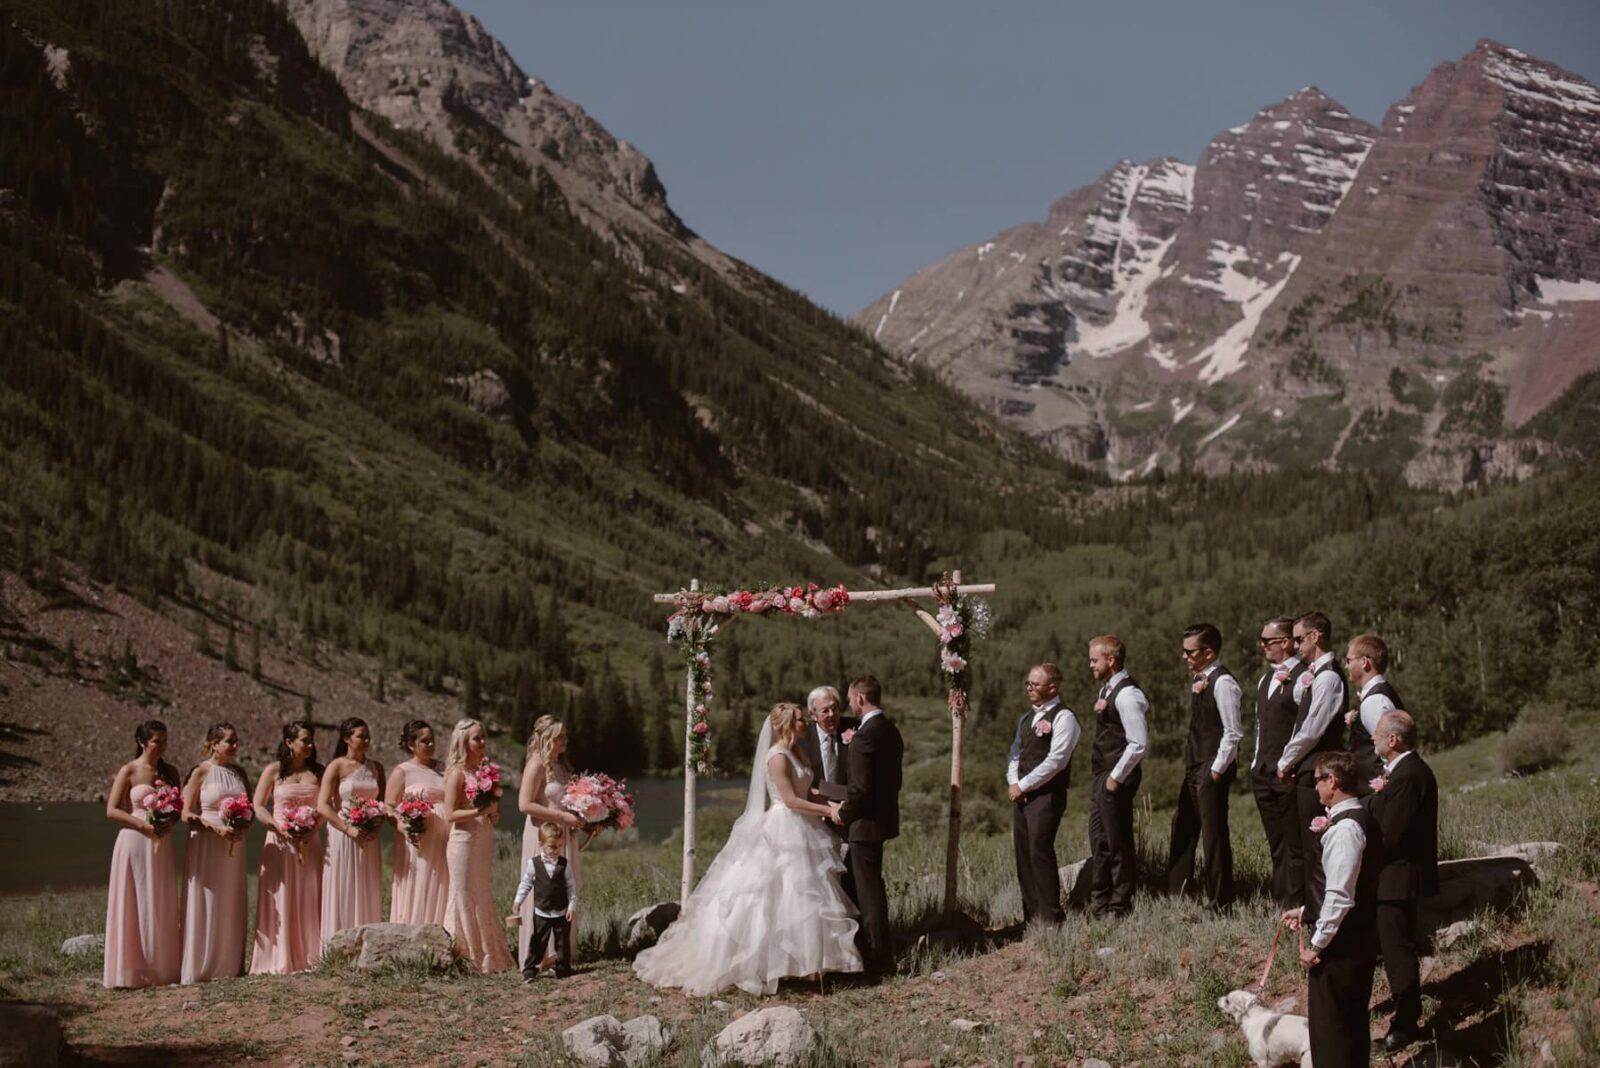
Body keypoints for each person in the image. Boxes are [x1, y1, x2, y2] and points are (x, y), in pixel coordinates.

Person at [634, 701, 860, 995]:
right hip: (784, 825)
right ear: (786, 724)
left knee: (803, 897)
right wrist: (828, 813)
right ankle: (765, 963)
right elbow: (790, 800)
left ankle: (805, 963)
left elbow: (808, 791)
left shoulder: (796, 752)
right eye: (801, 719)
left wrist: (829, 805)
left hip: (804, 826)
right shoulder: (777, 757)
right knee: (774, 896)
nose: (806, 723)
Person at [1283, 751, 1379, 1068]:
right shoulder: (1354, 819)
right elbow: (1332, 885)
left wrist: (1316, 943)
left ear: (1332, 781)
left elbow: (1340, 894)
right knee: (1345, 1027)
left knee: (1333, 1031)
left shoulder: (1345, 830)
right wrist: (1306, 910)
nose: (1315, 789)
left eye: (1317, 781)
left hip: (1341, 947)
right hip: (1350, 940)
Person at [1369, 711, 1439, 1053]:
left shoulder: (1409, 776)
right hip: (1392, 877)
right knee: (1393, 949)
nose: (1373, 739)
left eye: (1378, 734)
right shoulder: (1402, 772)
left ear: (1393, 740)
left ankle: (1406, 1023)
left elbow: (1391, 834)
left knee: (1398, 952)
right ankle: (1404, 1016)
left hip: (1398, 878)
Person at [1167, 623, 1243, 913]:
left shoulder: (1223, 683)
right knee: (1183, 827)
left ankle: (1221, 901)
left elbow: (1233, 732)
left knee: (1213, 836)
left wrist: (1216, 770)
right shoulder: (1202, 680)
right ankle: (1177, 894)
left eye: (1190, 652)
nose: (1184, 657)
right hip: (1195, 764)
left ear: (1208, 653)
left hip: (1211, 768)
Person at [1277, 611, 1348, 918]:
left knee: (1316, 847)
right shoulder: (1315, 675)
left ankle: (1321, 912)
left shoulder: (1329, 677)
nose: (1295, 645)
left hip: (1319, 769)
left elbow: (1312, 729)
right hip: (1308, 768)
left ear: (1317, 635)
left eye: (1299, 638)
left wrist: (1285, 760)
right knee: (1305, 846)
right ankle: (1311, 909)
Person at [103, 719, 181, 988]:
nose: (162, 746)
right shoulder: (129, 770)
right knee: (135, 899)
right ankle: (131, 970)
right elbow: (112, 810)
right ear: (142, 742)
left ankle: (161, 966)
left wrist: (168, 822)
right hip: (135, 839)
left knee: (160, 898)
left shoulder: (170, 771)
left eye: (164, 740)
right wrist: (143, 825)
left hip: (162, 840)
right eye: (157, 741)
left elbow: (178, 808)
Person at [1007, 663, 1080, 926]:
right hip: (1022, 795)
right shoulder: (1026, 719)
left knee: (1040, 850)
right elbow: (1015, 752)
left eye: (1035, 684)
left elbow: (1056, 761)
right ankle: (1032, 916)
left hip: (1047, 795)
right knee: (1024, 854)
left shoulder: (1064, 717)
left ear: (1052, 687)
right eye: (1028, 683)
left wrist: (1024, 784)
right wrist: (1013, 781)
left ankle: (1051, 916)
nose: (1029, 688)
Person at [841, 674, 905, 973]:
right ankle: (871, 950)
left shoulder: (865, 736)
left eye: (850, 699)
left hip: (864, 825)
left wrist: (842, 812)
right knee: (869, 887)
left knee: (868, 893)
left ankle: (879, 958)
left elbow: (861, 789)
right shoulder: (891, 730)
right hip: (881, 820)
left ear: (860, 699)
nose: (849, 705)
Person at [249, 721, 324, 974]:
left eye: (312, 740)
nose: (311, 745)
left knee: (309, 893)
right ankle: (277, 957)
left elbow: (325, 807)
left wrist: (313, 829)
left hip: (309, 841)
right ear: (289, 742)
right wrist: (273, 825)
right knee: (281, 896)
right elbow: (257, 805)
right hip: (280, 841)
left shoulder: (319, 772)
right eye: (305, 740)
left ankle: (309, 955)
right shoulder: (273, 771)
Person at [442, 718, 515, 972]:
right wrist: (480, 810)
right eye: (476, 738)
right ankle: (466, 955)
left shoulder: (484, 772)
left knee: (482, 892)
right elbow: (450, 814)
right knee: (463, 894)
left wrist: (494, 812)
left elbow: (490, 805)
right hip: (462, 841)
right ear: (463, 742)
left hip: (483, 838)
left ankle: (490, 955)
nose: (482, 742)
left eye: (483, 736)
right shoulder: (457, 773)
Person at [180, 721, 251, 983]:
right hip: (207, 843)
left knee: (230, 897)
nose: (234, 746)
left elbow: (250, 808)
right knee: (207, 898)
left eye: (236, 741)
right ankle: (201, 966)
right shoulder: (200, 772)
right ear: (213, 743)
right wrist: (215, 828)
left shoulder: (239, 772)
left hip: (234, 843)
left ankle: (229, 964)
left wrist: (243, 824)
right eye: (229, 741)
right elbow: (186, 813)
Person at [1086, 636, 1148, 919]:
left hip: (1115, 777)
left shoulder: (1127, 695)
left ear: (1111, 660)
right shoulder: (1106, 691)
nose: (1090, 665)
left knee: (1117, 840)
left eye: (1094, 660)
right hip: (1102, 775)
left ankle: (1119, 904)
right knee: (1099, 839)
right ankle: (1099, 899)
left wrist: (1115, 778)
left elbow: (1138, 743)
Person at [516, 716, 584, 968]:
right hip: (542, 836)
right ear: (545, 738)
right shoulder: (536, 764)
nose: (564, 740)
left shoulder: (562, 765)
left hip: (564, 836)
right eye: (559, 736)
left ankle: (561, 953)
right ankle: (537, 955)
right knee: (543, 893)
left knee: (563, 890)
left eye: (565, 734)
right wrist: (561, 816)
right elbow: (524, 804)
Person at [1252, 617, 1308, 911]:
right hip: (1262, 771)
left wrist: (1289, 764)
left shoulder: (1303, 678)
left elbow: (1305, 726)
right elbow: (1260, 725)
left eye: (1267, 641)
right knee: (1275, 841)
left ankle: (1295, 901)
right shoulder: (1265, 680)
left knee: (1293, 841)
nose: (1262, 646)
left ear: (1285, 642)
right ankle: (1280, 897)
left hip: (1288, 772)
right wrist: (1255, 762)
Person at [317, 717, 386, 944]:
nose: (366, 740)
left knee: (367, 886)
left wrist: (375, 825)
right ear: (347, 739)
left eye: (368, 736)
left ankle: (367, 942)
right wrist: (348, 828)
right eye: (361, 736)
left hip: (369, 836)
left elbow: (383, 803)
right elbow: (323, 805)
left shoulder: (377, 768)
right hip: (342, 833)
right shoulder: (336, 766)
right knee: (343, 886)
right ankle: (338, 944)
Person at [386, 720, 449, 926]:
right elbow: (389, 806)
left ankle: (442, 927)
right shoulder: (402, 771)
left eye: (432, 740)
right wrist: (403, 826)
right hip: (417, 838)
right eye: (424, 741)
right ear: (411, 745)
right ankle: (414, 929)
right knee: (420, 879)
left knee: (443, 881)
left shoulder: (444, 768)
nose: (430, 745)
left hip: (445, 838)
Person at [508, 822, 576, 982]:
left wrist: (571, 907)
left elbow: (571, 887)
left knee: (562, 943)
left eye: (560, 846)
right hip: (541, 911)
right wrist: (518, 900)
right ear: (541, 844)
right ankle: (530, 970)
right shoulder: (534, 864)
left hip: (561, 911)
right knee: (537, 941)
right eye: (552, 846)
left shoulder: (564, 864)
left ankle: (563, 968)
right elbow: (526, 883)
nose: (556, 850)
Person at [1344, 635, 1403, 790]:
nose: (1346, 666)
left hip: (1375, 790)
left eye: (1349, 660)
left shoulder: (1375, 701)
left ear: (1364, 662)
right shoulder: (1379, 694)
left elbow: (1390, 750)